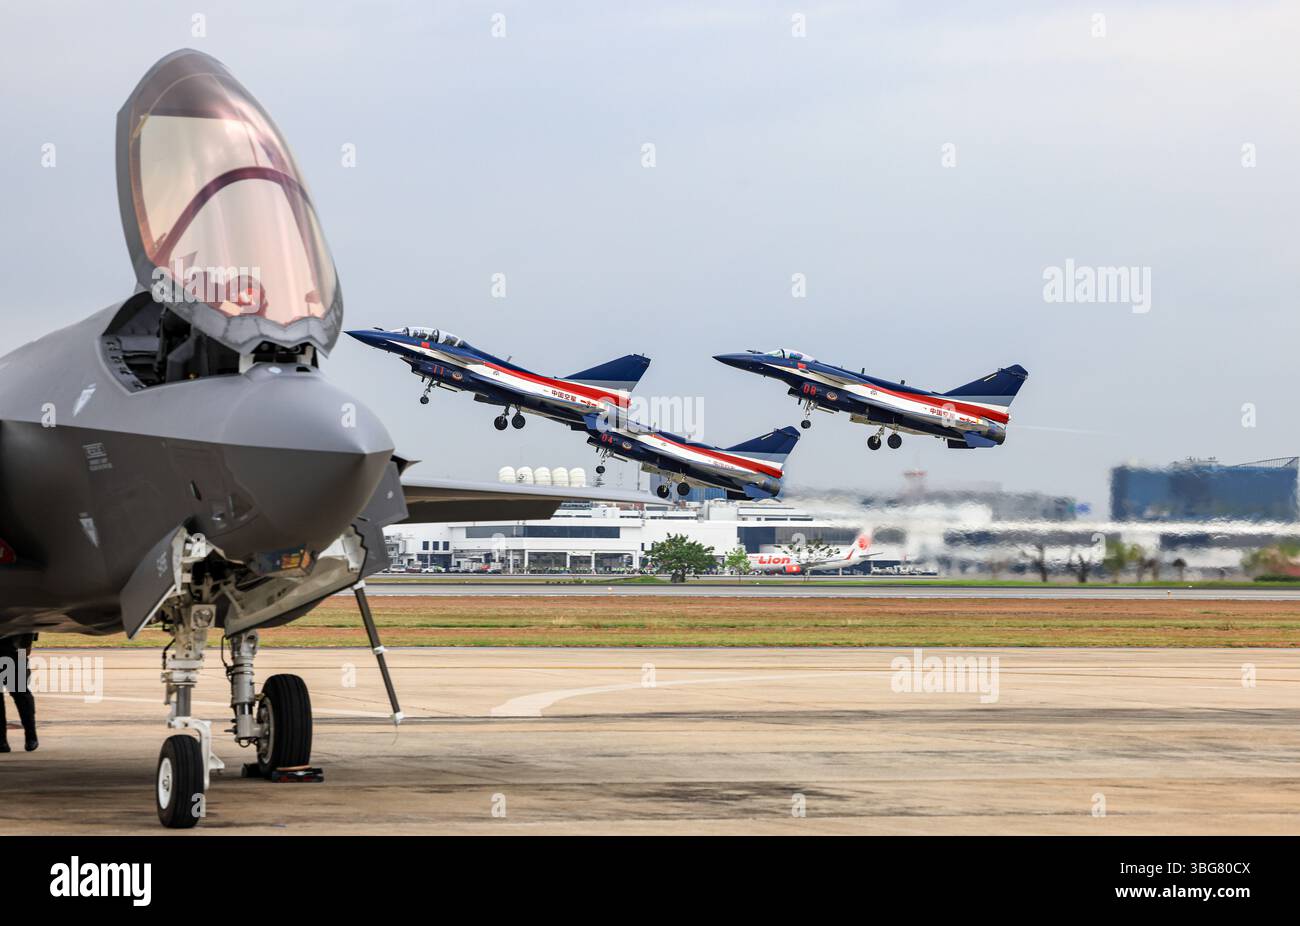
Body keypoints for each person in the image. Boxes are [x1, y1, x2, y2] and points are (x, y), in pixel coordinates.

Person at [0, 632, 38, 752]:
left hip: (16, 649)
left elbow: (28, 619)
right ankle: (1, 741)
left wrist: (26, 645)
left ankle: (31, 736)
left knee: (21, 694)